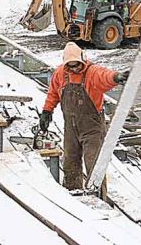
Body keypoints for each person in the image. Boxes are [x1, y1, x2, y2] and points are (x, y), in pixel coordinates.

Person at [39, 42, 129, 192]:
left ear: (83, 60)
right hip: (71, 127)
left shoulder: (92, 72)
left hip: (92, 128)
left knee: (94, 165)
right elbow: (53, 93)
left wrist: (116, 77)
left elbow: (105, 77)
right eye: (71, 66)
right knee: (70, 162)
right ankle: (72, 193)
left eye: (77, 65)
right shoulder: (60, 74)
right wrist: (47, 112)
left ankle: (99, 196)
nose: (75, 69)